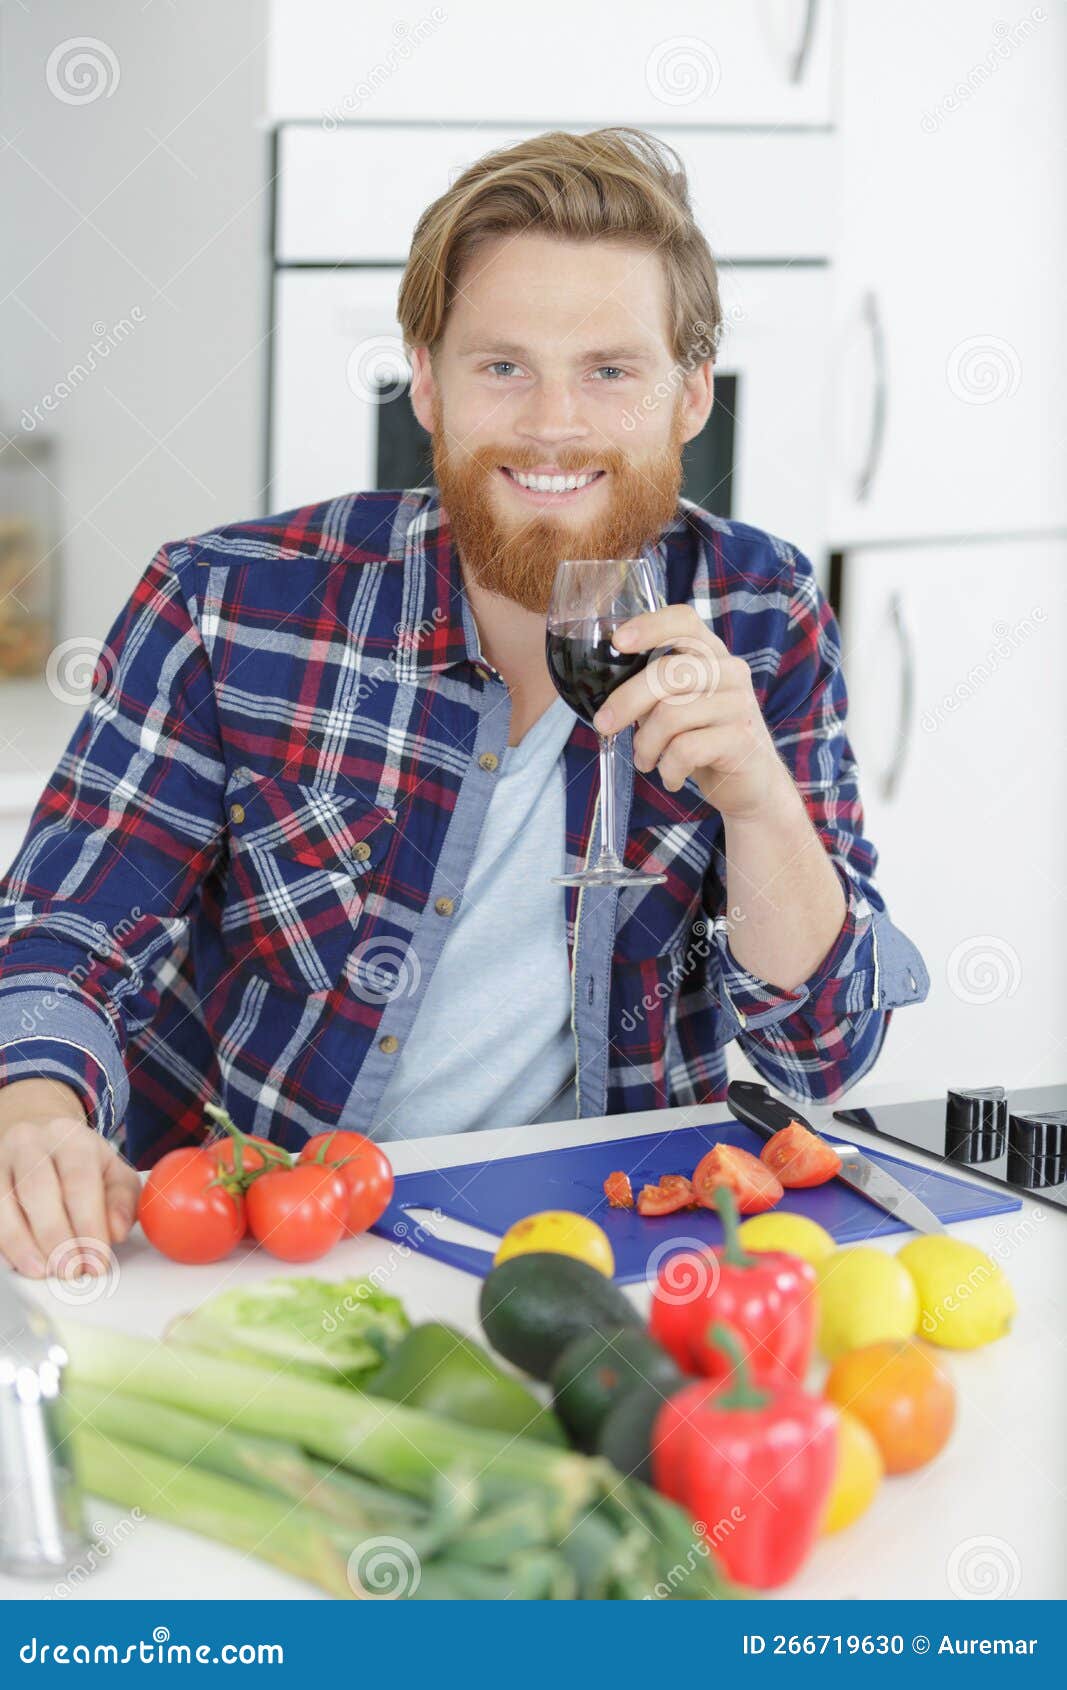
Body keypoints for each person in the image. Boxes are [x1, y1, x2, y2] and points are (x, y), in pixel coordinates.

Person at [0, 127, 928, 1278]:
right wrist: (32, 1112)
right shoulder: (228, 601)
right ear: (427, 385)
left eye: (608, 369)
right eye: (502, 367)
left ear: (689, 395)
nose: (551, 424)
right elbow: (64, 933)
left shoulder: (761, 609)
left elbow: (821, 1059)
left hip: (617, 1256)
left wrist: (760, 808)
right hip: (276, 1243)